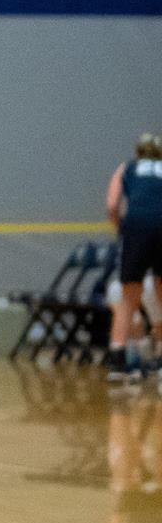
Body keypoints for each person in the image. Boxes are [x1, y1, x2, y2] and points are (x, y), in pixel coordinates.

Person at [106, 132, 162, 383]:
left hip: (136, 226)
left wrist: (121, 229)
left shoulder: (127, 168)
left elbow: (112, 205)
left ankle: (118, 361)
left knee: (128, 295)